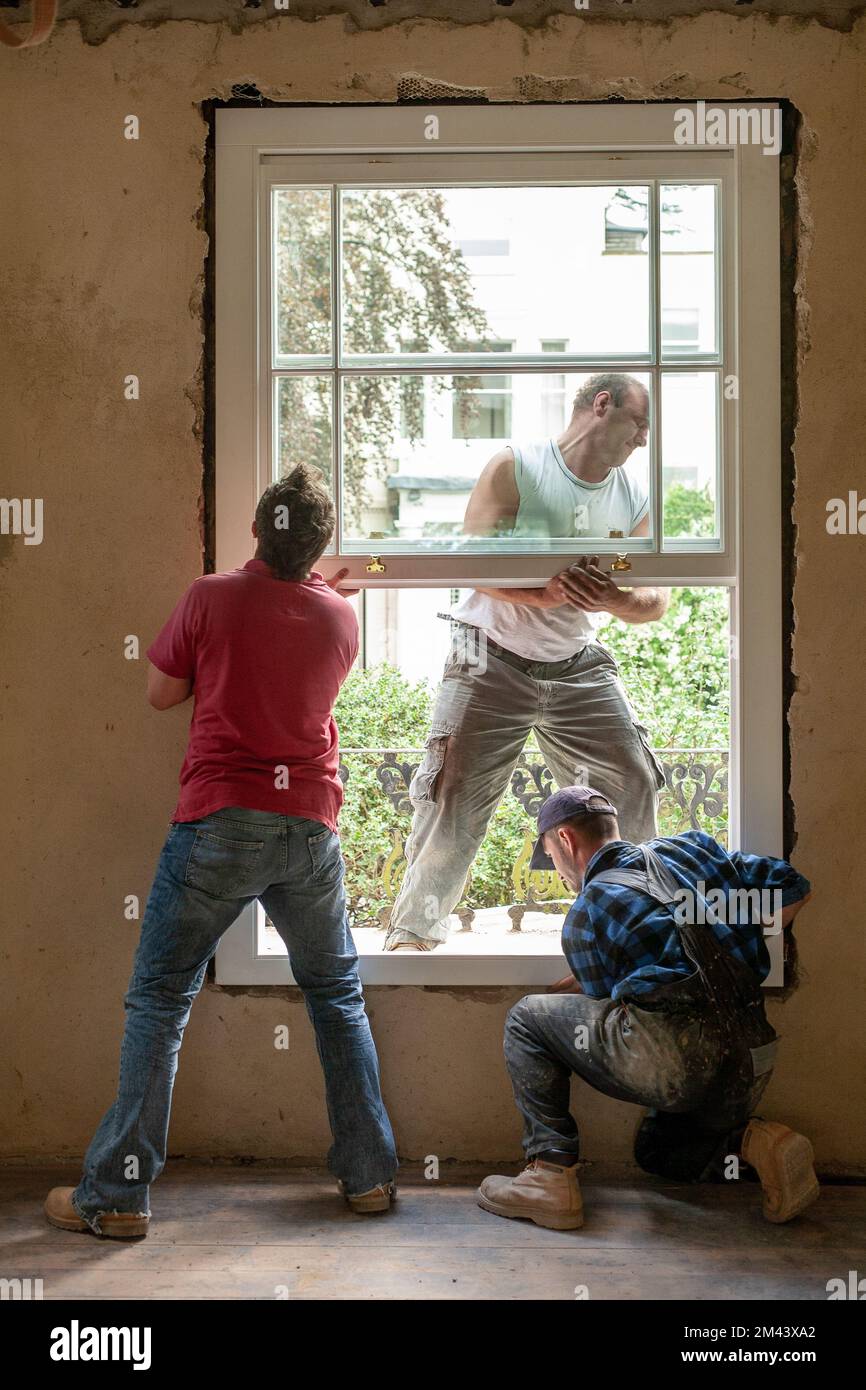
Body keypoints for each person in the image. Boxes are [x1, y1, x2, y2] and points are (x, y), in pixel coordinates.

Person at [45, 465, 397, 1240]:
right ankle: (370, 1178)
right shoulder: (342, 618)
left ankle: (118, 1197)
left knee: (160, 1001)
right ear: (319, 546)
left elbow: (162, 694)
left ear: (255, 531)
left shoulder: (211, 597)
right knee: (337, 998)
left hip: (220, 821)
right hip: (309, 827)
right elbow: (302, 631)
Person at [384, 373, 669, 952]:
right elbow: (466, 563)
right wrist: (538, 595)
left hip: (576, 664)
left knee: (634, 780)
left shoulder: (634, 495)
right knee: (454, 794)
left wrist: (615, 600)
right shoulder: (516, 467)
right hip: (487, 655)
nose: (642, 440)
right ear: (601, 404)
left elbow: (657, 599)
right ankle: (413, 937)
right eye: (638, 424)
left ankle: (636, 930)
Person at [477, 786, 819, 1231]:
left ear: (565, 840)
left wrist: (560, 1001)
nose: (559, 874)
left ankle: (549, 1174)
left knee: (527, 1017)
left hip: (673, 1061)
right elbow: (793, 888)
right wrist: (730, 942)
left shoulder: (586, 913)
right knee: (657, 1152)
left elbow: (608, 1002)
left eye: (551, 856)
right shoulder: (690, 849)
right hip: (749, 1052)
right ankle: (754, 1142)